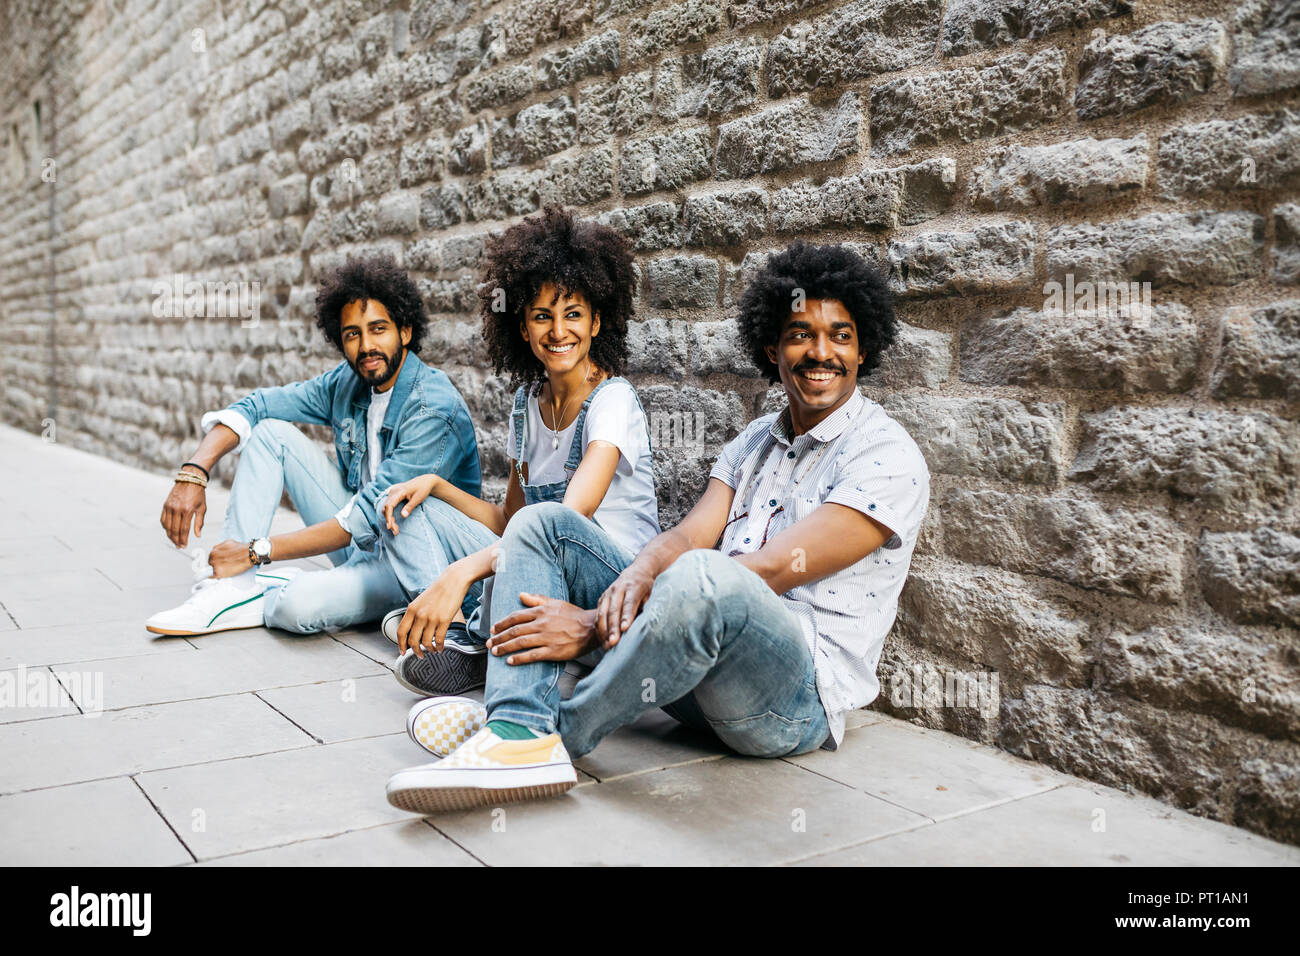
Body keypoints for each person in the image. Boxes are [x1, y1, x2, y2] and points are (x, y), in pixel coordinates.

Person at [385, 241, 931, 814]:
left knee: (705, 578)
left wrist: (596, 625)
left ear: (863, 349)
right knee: (545, 523)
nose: (821, 352)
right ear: (772, 348)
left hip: (786, 704)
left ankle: (551, 735)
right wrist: (638, 573)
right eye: (801, 334)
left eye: (840, 336)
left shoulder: (885, 455)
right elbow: (685, 536)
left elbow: (765, 571)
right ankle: (516, 721)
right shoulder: (754, 443)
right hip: (690, 672)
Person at [379, 204, 660, 712]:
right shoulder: (527, 406)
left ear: (597, 322)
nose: (558, 330)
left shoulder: (612, 400)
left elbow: (563, 522)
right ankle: (462, 630)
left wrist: (460, 571)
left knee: (531, 533)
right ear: (523, 329)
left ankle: (479, 641)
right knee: (403, 505)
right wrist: (435, 486)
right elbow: (509, 521)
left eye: (573, 313)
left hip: (609, 584)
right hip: (540, 564)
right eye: (541, 316)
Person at [146, 255, 481, 636]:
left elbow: (368, 515)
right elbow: (257, 406)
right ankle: (232, 589)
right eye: (353, 334)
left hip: (412, 560)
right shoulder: (347, 382)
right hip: (365, 544)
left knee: (293, 607)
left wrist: (259, 550)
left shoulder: (433, 408)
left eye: (378, 329)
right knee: (272, 433)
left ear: (405, 331)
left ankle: (260, 580)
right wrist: (194, 472)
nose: (366, 346)